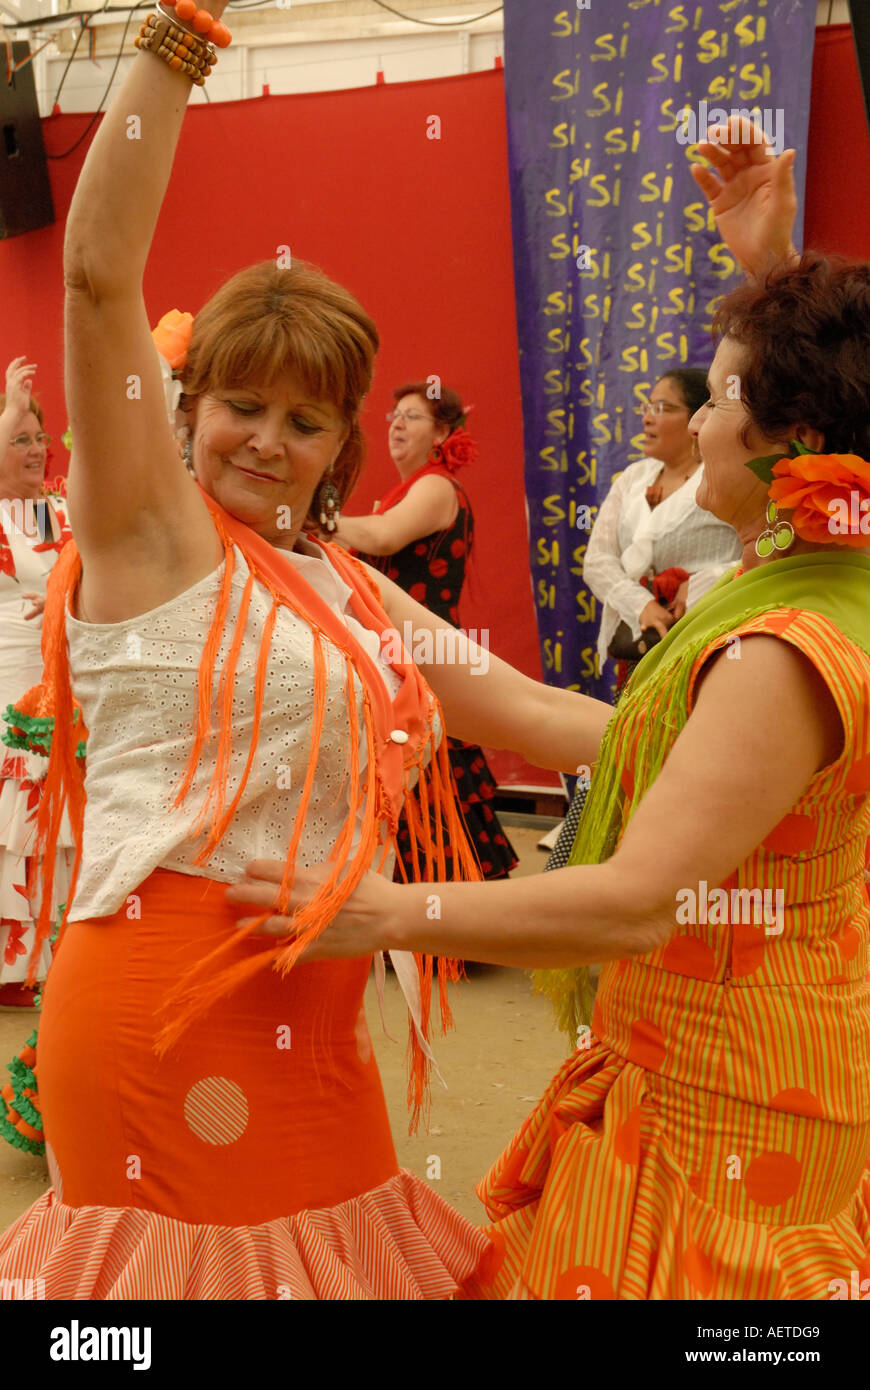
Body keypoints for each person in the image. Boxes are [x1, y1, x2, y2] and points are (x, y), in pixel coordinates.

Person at [0, 3, 613, 1300]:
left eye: (306, 417)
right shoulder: (149, 532)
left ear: (344, 440)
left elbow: (529, 708)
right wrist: (175, 41)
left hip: (321, 1011)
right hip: (162, 1005)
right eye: (240, 405)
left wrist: (742, 731)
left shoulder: (342, 584)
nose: (266, 440)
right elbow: (101, 274)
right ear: (188, 407)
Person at [228, 121, 870, 1301]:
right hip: (763, 1043)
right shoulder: (830, 577)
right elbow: (566, 721)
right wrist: (775, 275)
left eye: (720, 395)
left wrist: (383, 911)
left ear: (790, 440)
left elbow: (631, 899)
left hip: (726, 1075)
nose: (692, 421)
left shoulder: (786, 647)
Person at [334, 383, 518, 882]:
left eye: (412, 417)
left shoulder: (435, 486)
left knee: (428, 773)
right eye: (395, 414)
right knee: (417, 771)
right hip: (402, 648)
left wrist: (312, 522)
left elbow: (381, 536)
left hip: (423, 648)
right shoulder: (408, 488)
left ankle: (441, 919)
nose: (395, 423)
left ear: (443, 433)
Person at [584, 368, 742, 692]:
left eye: (664, 408)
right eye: (648, 407)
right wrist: (640, 604)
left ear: (699, 417)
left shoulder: (725, 477)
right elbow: (597, 560)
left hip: (708, 639)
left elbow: (763, 555)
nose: (647, 419)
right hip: (639, 647)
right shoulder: (633, 478)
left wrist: (704, 582)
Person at [0, 358, 75, 1028]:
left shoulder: (55, 511)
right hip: (4, 684)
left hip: (61, 685)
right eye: (18, 437)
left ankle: (41, 960)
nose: (33, 449)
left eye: (37, 436)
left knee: (54, 824)